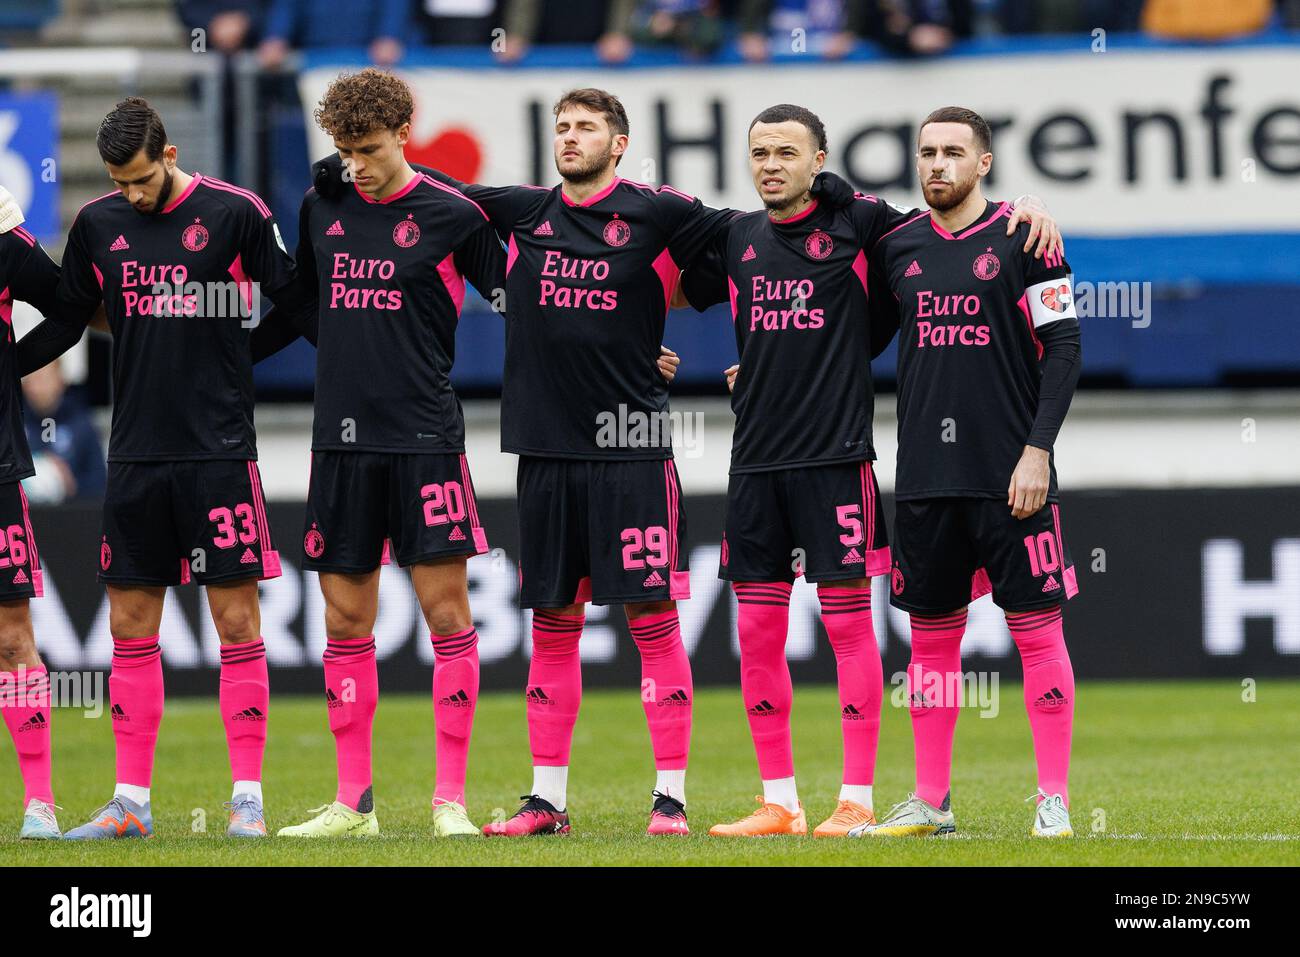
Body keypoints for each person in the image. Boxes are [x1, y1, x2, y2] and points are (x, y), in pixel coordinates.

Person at [678, 103, 1060, 838]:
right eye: (759, 153)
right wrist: (648, 360)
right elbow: (636, 278)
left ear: (819, 160)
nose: (770, 165)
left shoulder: (866, 226)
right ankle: (780, 801)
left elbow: (951, 225)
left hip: (838, 457)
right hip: (753, 462)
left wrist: (1030, 205)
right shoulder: (734, 236)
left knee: (851, 630)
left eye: (787, 152)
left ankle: (856, 797)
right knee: (756, 632)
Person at [425, 87, 771, 836]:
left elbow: (759, 235)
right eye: (562, 126)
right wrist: (343, 166)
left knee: (654, 618)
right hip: (545, 450)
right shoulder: (523, 211)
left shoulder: (659, 210)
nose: (570, 137)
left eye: (585, 127)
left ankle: (670, 800)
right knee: (554, 623)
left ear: (619, 144)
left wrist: (763, 349)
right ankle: (546, 801)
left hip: (632, 450)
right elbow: (424, 187)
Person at [16, 97, 313, 840]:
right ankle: (131, 803)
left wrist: (241, 353)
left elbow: (296, 301)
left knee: (236, 621)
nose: (133, 194)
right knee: (129, 626)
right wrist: (8, 365)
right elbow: (67, 316)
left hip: (218, 452)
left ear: (171, 154)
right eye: (120, 182)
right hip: (136, 453)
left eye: (142, 179)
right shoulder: (98, 225)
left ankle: (247, 798)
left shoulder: (236, 212)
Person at [852, 106, 1081, 839]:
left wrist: (1038, 451)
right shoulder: (898, 247)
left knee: (1037, 629)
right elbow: (852, 340)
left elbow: (1065, 348)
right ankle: (931, 801)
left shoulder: (1026, 238)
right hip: (925, 476)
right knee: (930, 640)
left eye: (953, 152)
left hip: (1011, 473)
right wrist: (764, 366)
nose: (937, 164)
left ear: (984, 163)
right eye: (927, 152)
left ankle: (1053, 800)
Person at [0, 194, 63, 839]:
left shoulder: (4, 235)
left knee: (12, 640)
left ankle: (39, 802)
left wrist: (10, 365)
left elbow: (68, 304)